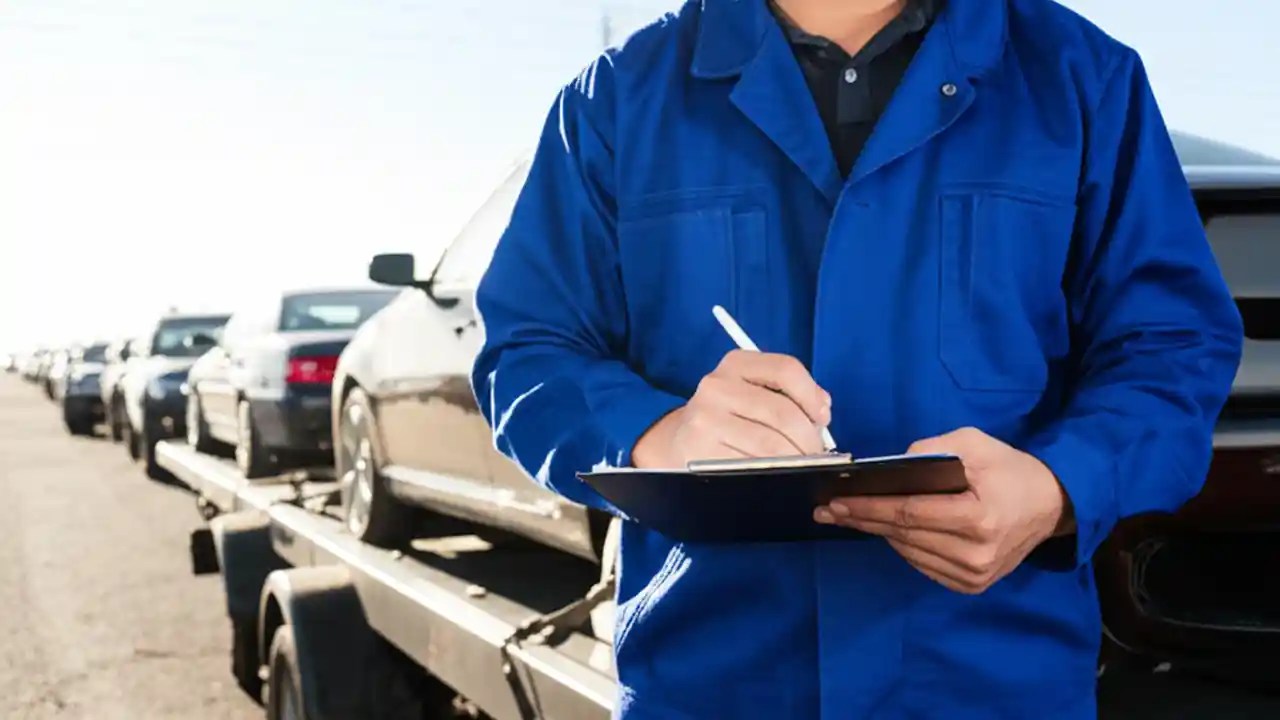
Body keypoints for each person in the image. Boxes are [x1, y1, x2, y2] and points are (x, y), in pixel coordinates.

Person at [471, 0, 1244, 717]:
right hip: (713, 682)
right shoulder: (617, 100)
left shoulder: (1082, 78)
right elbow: (528, 348)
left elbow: (1172, 349)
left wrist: (1056, 486)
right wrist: (658, 435)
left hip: (993, 682)